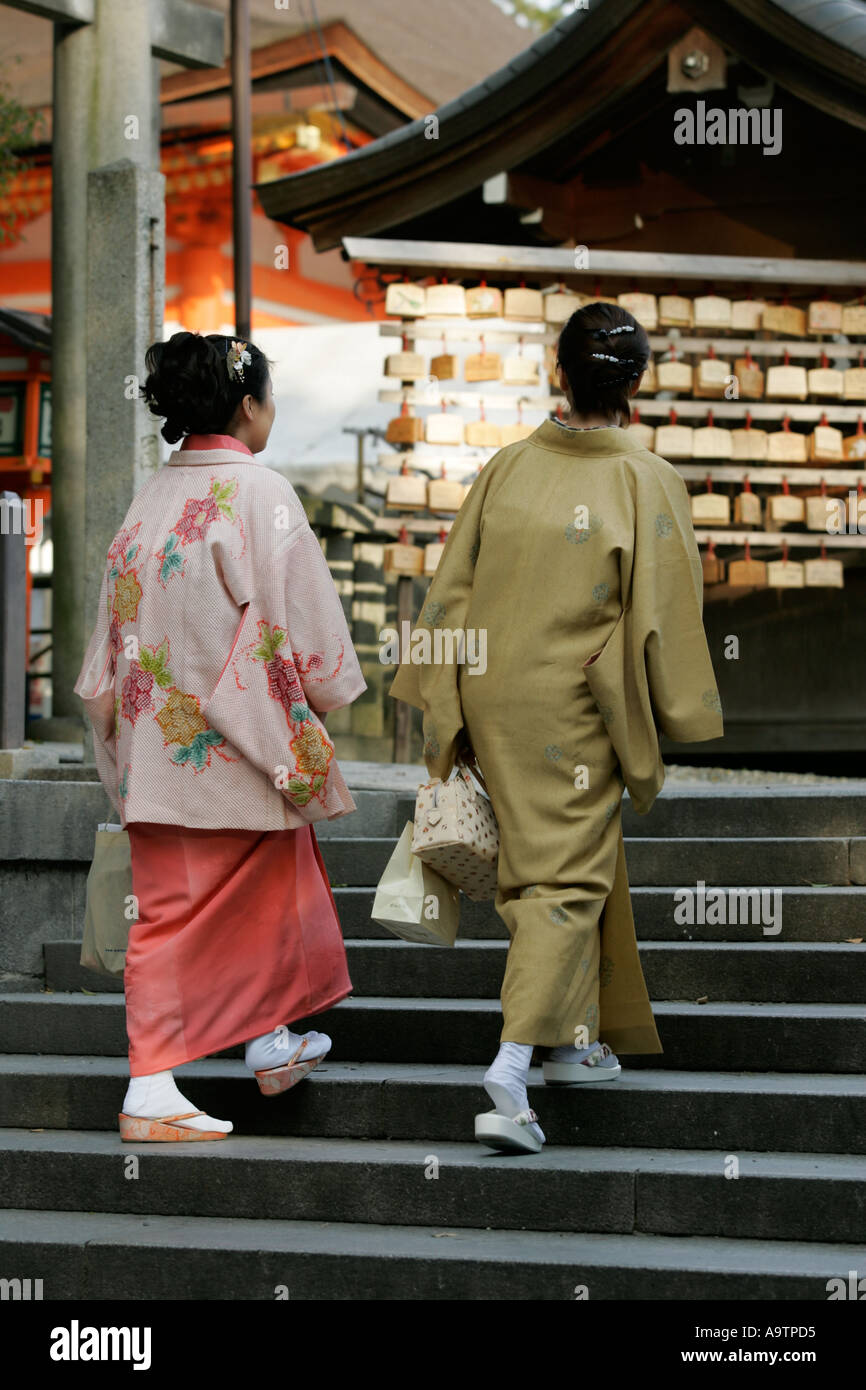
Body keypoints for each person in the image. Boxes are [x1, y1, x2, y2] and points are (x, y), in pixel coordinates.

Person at [389, 301, 724, 1155]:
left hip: (494, 692)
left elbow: (452, 592)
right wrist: (675, 711)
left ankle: (576, 1043)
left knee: (562, 858)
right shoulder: (646, 478)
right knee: (561, 884)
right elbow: (663, 622)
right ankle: (507, 1075)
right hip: (578, 706)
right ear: (635, 387)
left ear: (561, 375)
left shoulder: (507, 467)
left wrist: (446, 706)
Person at [74, 331, 366, 1141]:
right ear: (247, 404)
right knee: (185, 913)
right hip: (237, 741)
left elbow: (111, 632)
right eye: (269, 396)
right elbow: (304, 622)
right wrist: (329, 688)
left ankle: (272, 1040)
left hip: (160, 749)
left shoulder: (152, 497)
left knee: (275, 882)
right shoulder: (262, 492)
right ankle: (150, 1087)